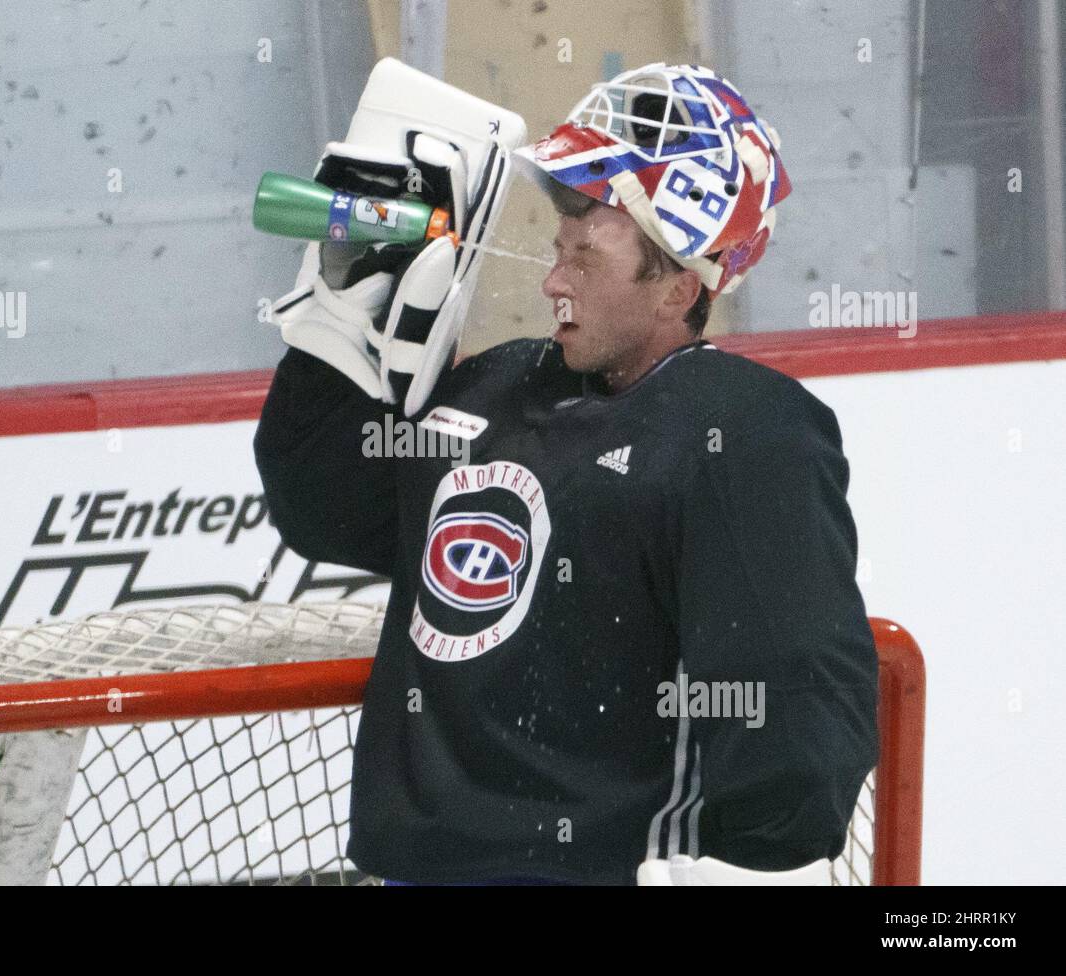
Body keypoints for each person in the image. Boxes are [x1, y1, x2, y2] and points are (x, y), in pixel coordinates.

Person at [254, 63, 878, 885]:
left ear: (678, 287)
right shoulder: (498, 386)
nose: (553, 279)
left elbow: (796, 714)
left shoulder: (741, 430)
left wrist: (701, 869)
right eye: (558, 249)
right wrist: (338, 323)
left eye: (586, 256)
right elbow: (320, 510)